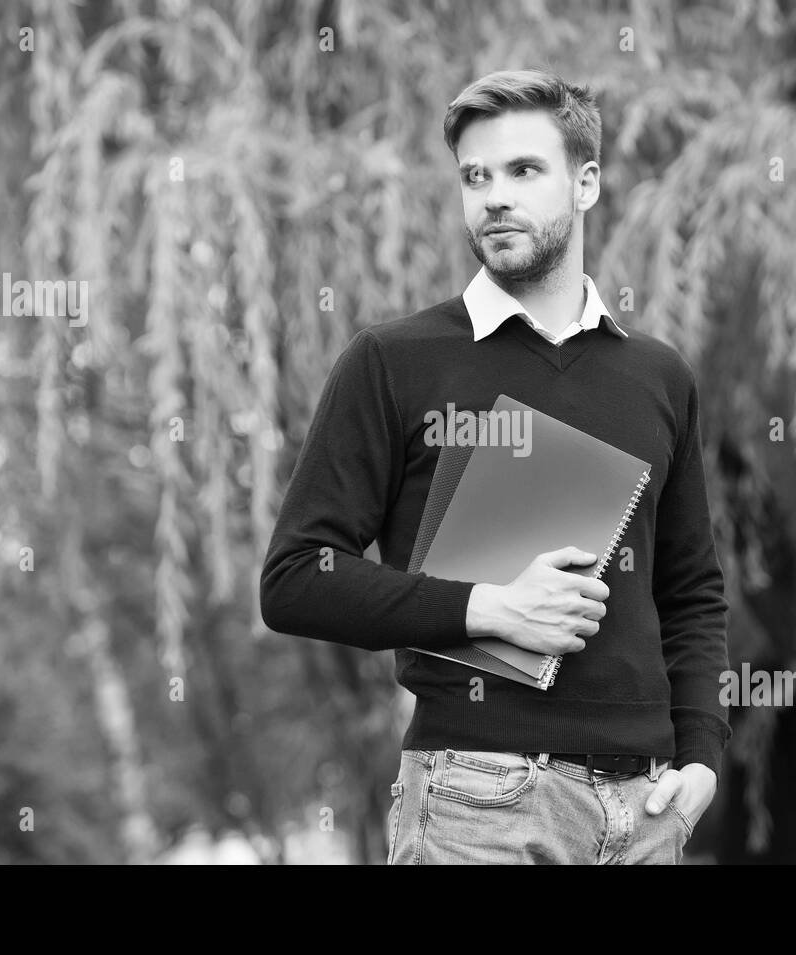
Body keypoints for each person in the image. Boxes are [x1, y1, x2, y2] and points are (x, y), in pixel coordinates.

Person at [260, 68, 730, 864]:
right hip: (477, 800)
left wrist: (702, 758)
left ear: (586, 184)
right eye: (474, 176)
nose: (493, 197)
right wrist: (488, 607)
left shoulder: (659, 377)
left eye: (522, 171)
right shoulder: (393, 362)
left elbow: (690, 591)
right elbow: (297, 577)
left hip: (646, 810)